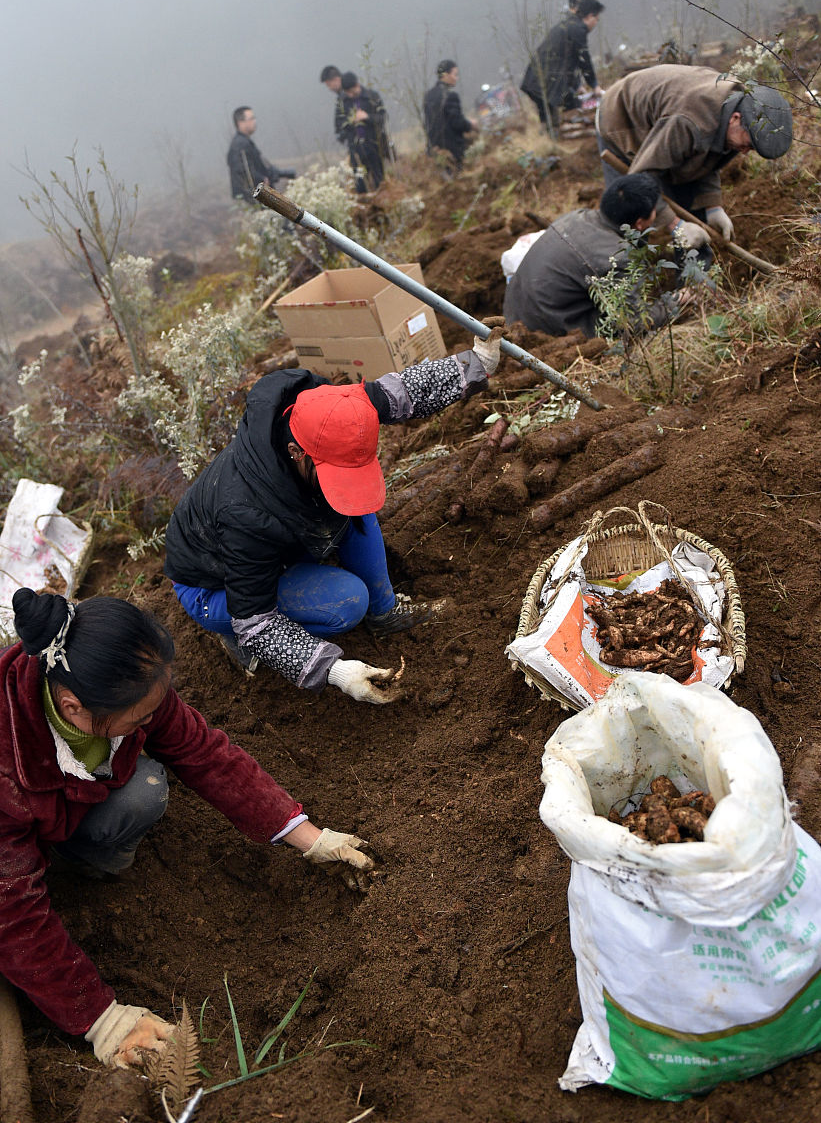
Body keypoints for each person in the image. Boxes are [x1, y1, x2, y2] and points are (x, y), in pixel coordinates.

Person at [0, 588, 373, 1070]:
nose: (155, 720)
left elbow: (204, 753)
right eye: (141, 718)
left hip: (59, 817)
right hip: (9, 854)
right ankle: (54, 870)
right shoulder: (8, 768)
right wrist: (101, 1020)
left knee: (144, 791)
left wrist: (311, 838)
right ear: (74, 710)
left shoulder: (113, 677)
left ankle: (83, 865)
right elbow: (13, 909)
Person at [164, 331, 504, 703]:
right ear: (296, 451)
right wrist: (336, 670)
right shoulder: (246, 513)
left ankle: (385, 613)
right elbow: (256, 621)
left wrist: (476, 364)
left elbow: (404, 391)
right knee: (347, 603)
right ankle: (228, 637)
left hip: (276, 537)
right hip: (213, 587)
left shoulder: (329, 410)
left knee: (354, 508)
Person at [595, 66, 793, 250]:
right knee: (631, 214)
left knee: (694, 215)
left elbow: (707, 159)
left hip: (667, 127)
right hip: (622, 118)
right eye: (748, 145)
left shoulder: (739, 111)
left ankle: (694, 284)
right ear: (736, 119)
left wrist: (712, 206)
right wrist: (675, 224)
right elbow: (641, 177)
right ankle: (621, 278)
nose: (744, 152)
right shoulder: (690, 122)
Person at [503, 172, 695, 337]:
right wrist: (675, 301)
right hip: (546, 332)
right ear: (639, 223)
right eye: (655, 210)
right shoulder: (618, 257)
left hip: (514, 313)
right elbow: (633, 323)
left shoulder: (577, 217)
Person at [520, 0, 605, 132]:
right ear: (589, 16)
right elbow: (584, 59)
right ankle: (561, 141)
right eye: (596, 19)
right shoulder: (578, 29)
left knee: (549, 117)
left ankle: (550, 141)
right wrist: (594, 86)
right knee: (572, 105)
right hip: (546, 81)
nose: (596, 23)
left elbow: (568, 60)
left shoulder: (567, 25)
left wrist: (577, 85)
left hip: (536, 79)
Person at [227, 106, 295, 203]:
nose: (254, 121)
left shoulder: (244, 142)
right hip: (252, 199)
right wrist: (262, 180)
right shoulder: (240, 145)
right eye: (251, 118)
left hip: (257, 197)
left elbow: (261, 167)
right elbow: (244, 173)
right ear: (240, 122)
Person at [338, 71, 392, 192]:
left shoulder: (372, 97)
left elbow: (383, 118)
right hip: (356, 149)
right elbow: (340, 125)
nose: (350, 95)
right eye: (347, 93)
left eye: (352, 92)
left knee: (380, 180)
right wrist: (351, 122)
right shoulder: (343, 102)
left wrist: (367, 117)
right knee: (360, 184)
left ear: (357, 85)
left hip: (374, 144)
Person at [423, 59, 478, 170]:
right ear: (446, 75)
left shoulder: (428, 96)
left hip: (435, 149)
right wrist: (470, 124)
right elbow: (457, 122)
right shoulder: (451, 96)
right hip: (452, 149)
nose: (456, 78)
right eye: (455, 74)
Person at [319, 64, 347, 146]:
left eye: (329, 85)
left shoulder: (348, 96)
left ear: (336, 79)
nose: (329, 89)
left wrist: (344, 133)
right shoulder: (340, 98)